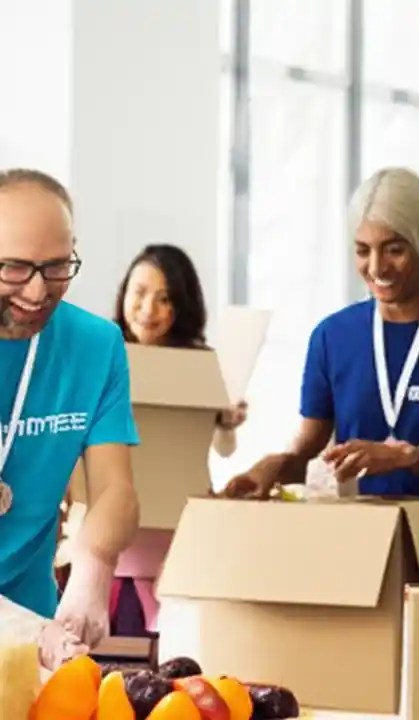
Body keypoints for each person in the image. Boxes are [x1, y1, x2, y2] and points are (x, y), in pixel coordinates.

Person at [226, 167, 419, 499]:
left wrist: (409, 458)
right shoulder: (333, 337)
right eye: (363, 250)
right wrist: (273, 466)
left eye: (394, 249)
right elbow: (309, 453)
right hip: (364, 535)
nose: (376, 268)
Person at [0, 168, 140, 660]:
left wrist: (94, 567)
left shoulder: (96, 345)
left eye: (57, 267)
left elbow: (115, 489)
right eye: (13, 268)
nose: (37, 293)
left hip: (31, 624)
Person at [106, 244, 247, 638]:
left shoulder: (201, 364)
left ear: (181, 306)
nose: (148, 309)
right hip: (115, 535)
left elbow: (224, 450)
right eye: (139, 292)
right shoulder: (103, 356)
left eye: (164, 298)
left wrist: (226, 420)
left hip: (175, 535)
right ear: (124, 294)